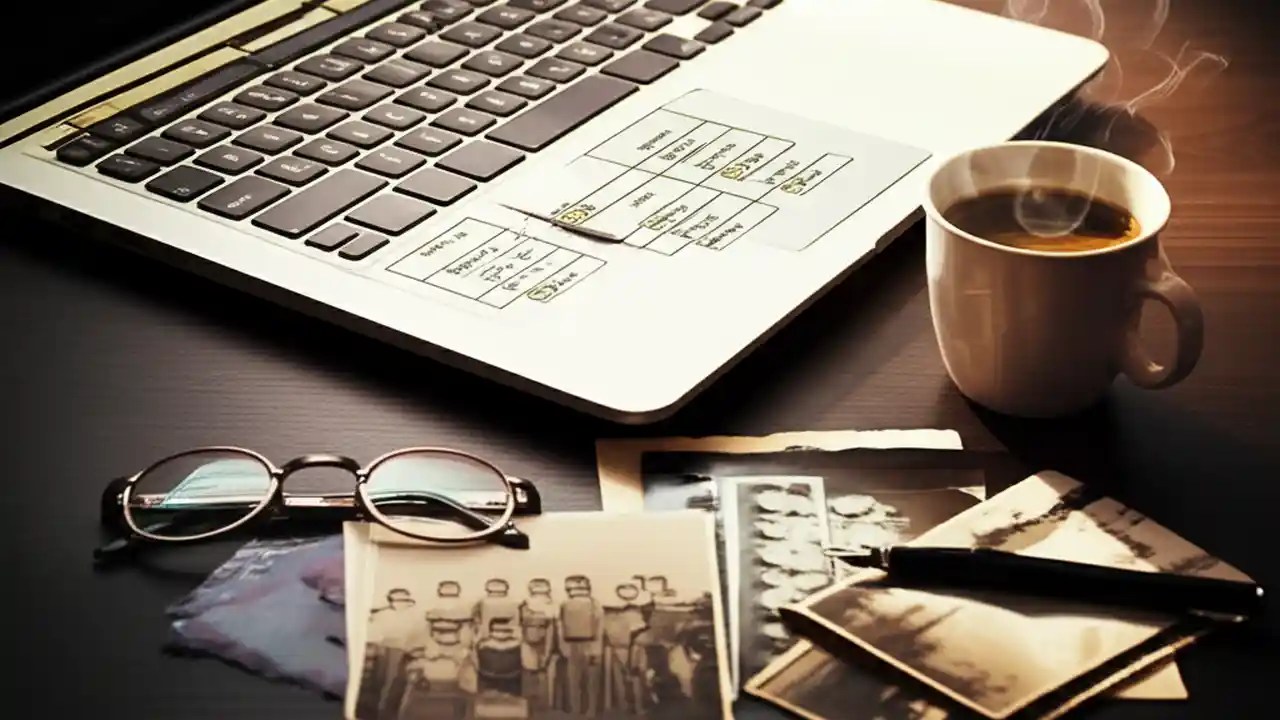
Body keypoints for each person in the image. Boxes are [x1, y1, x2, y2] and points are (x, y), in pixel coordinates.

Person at [364, 589, 420, 720]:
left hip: (406, 653)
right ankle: (380, 712)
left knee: (400, 685)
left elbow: (415, 636)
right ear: (391, 601)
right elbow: (376, 636)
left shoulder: (412, 617)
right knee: (384, 683)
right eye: (399, 600)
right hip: (388, 651)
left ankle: (392, 712)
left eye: (405, 601)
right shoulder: (383, 615)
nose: (402, 604)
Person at [558, 575, 603, 715]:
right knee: (573, 680)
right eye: (573, 586)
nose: (577, 589)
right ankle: (575, 711)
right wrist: (563, 647)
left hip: (590, 643)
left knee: (591, 681)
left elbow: (599, 628)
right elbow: (560, 627)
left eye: (580, 586)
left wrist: (596, 650)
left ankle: (591, 712)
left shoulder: (595, 605)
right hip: (571, 644)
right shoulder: (564, 605)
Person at [602, 583, 649, 713]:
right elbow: (638, 634)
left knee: (621, 680)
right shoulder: (635, 614)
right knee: (636, 678)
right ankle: (638, 708)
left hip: (616, 648)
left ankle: (624, 707)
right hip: (633, 647)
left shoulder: (608, 615)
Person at [473, 619, 528, 719]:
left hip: (511, 682)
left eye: (504, 630)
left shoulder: (518, 644)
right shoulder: (482, 644)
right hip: (490, 682)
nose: (501, 634)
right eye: (498, 630)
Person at [519, 578, 558, 711]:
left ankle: (543, 706)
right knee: (528, 672)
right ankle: (529, 704)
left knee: (544, 674)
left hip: (545, 642)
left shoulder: (552, 606)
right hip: (527, 644)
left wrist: (548, 651)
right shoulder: (524, 605)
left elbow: (552, 631)